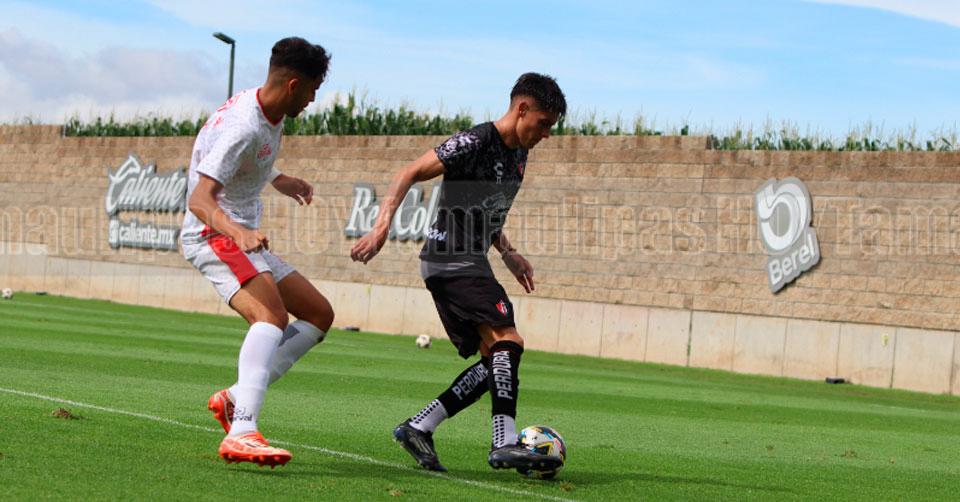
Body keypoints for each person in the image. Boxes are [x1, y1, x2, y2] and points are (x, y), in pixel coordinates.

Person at [350, 73, 566, 472]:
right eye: (544, 123)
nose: (546, 134)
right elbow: (409, 172)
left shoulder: (519, 154)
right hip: (452, 258)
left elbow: (486, 212)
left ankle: (419, 426)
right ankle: (503, 442)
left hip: (468, 261)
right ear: (522, 109)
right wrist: (381, 228)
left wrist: (510, 253)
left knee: (496, 360)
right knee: (508, 339)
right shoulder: (476, 140)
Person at [180, 37, 334, 467]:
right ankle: (242, 430)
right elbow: (200, 198)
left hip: (238, 233)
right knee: (271, 318)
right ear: (292, 85)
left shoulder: (264, 107)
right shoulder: (245, 124)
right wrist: (237, 233)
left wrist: (278, 177)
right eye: (312, 89)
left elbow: (238, 159)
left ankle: (234, 397)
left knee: (319, 315)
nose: (313, 98)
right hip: (214, 232)